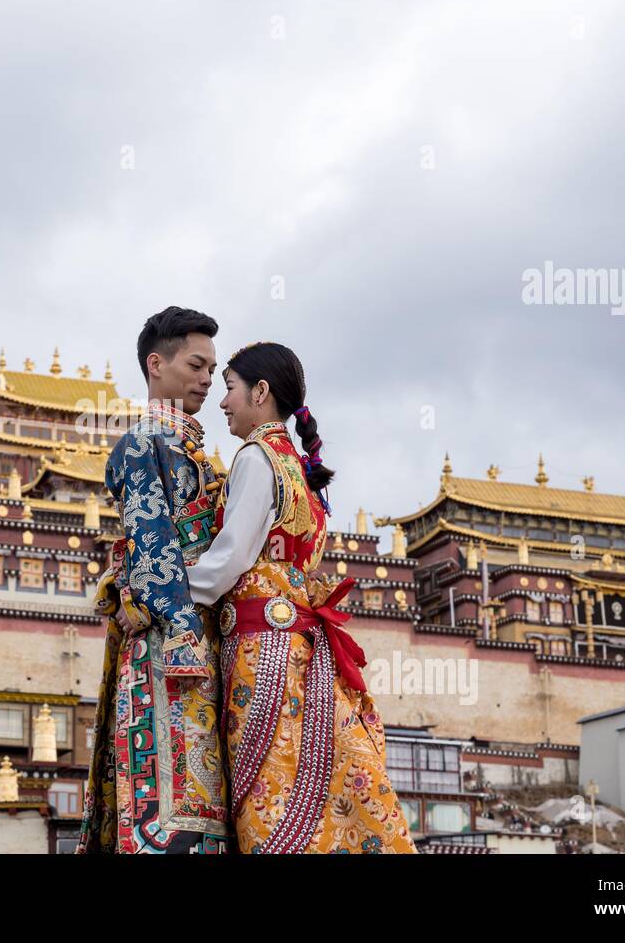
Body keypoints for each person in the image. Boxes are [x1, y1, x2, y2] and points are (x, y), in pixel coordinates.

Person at [187, 341, 416, 854]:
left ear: (260, 392)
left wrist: (169, 593)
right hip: (301, 651)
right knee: (302, 790)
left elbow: (231, 556)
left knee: (263, 795)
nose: (223, 402)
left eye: (229, 389)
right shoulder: (301, 471)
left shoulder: (255, 458)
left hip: (258, 652)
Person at [77, 307, 230, 853]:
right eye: (196, 365)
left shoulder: (192, 452)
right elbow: (155, 551)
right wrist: (188, 634)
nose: (206, 380)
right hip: (171, 645)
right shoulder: (143, 445)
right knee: (171, 797)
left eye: (213, 371)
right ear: (155, 364)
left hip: (200, 634)